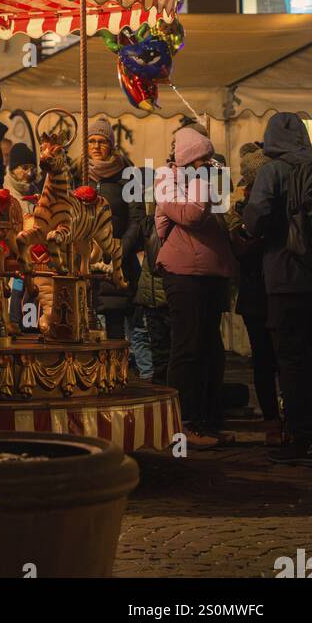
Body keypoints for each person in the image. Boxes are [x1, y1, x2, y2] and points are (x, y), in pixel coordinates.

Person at [155, 126, 237, 449]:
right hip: (183, 274)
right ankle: (183, 424)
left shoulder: (202, 181)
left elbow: (217, 216)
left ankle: (206, 420)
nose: (207, 165)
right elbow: (192, 214)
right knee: (187, 347)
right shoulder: (166, 178)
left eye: (209, 159)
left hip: (211, 274)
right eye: (202, 159)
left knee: (210, 349)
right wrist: (203, 182)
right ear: (188, 159)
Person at [244, 112, 312, 465]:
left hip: (285, 278)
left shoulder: (272, 171)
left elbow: (255, 217)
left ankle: (302, 434)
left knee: (291, 358)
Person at [226, 142, 281, 445]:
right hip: (259, 292)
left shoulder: (272, 207)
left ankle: (282, 417)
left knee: (281, 358)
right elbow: (242, 250)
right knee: (265, 359)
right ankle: (273, 420)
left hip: (274, 290)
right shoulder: (241, 208)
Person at [87, 116, 143, 342]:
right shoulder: (79, 175)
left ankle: (118, 375)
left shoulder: (128, 175)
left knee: (116, 327)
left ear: (111, 144)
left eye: (102, 141)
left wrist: (119, 249)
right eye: (91, 141)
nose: (96, 146)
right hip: (87, 261)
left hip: (118, 262)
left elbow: (137, 219)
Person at [136, 204, 171, 384]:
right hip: (153, 297)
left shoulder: (176, 224)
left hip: (165, 296)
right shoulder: (149, 223)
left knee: (167, 351)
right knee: (159, 351)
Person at [5, 142, 40, 215]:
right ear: (13, 170)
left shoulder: (32, 186)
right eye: (25, 168)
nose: (29, 173)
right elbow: (20, 208)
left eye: (32, 169)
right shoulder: (4, 187)